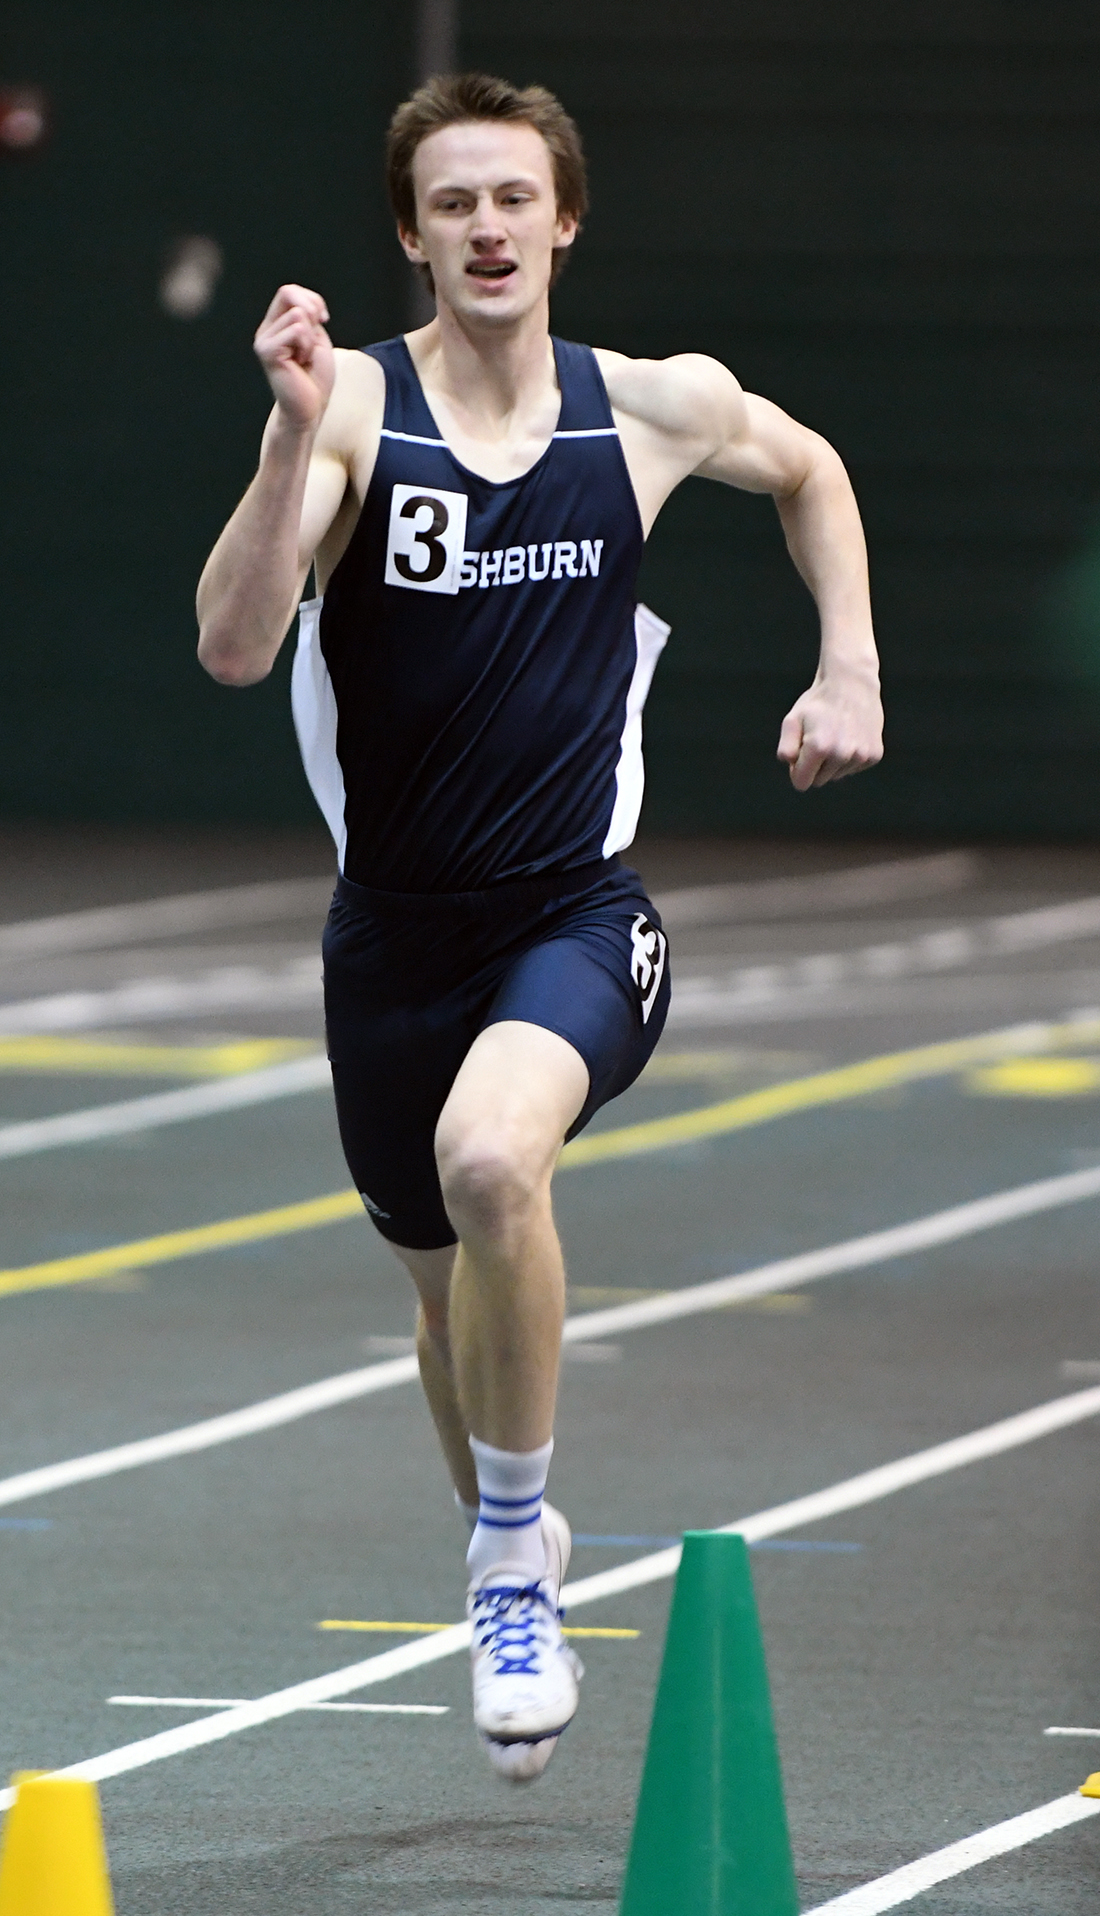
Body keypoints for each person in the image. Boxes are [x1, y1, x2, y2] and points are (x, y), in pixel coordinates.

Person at [196, 71, 883, 1783]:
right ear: (410, 235)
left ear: (563, 218)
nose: (487, 229)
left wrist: (849, 662)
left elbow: (812, 472)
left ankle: (510, 1562)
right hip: (391, 942)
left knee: (498, 1164)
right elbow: (229, 642)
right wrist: (287, 435)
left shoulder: (649, 408)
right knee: (443, 1305)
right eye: (452, 205)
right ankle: (513, 1530)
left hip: (575, 915)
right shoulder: (354, 411)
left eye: (514, 199)